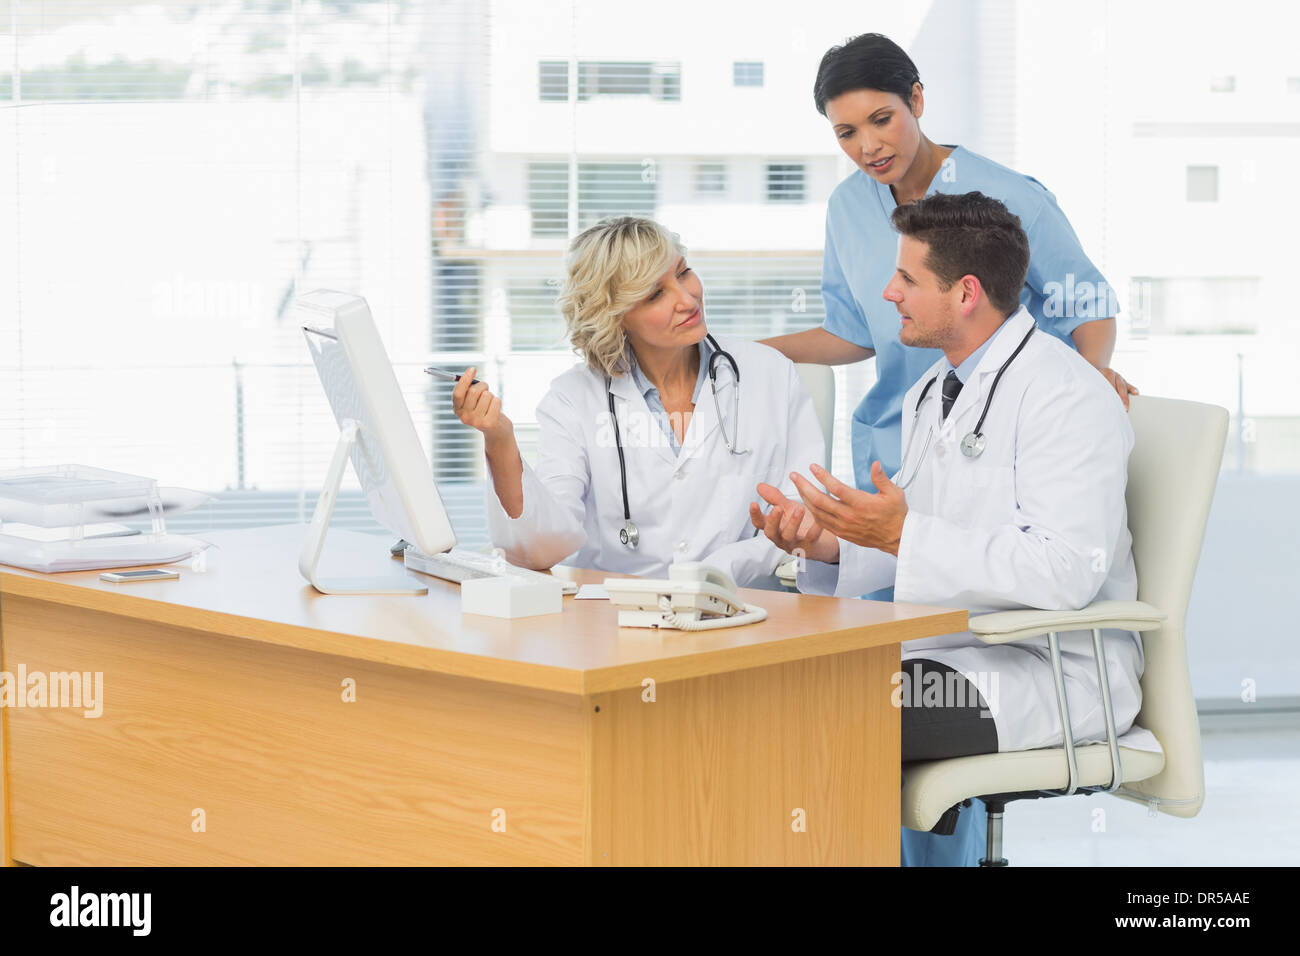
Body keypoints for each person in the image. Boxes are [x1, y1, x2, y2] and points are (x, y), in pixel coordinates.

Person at [752, 192, 1154, 861]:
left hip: (1053, 673)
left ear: (966, 293)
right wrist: (828, 541)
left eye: (907, 278)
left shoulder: (1066, 395)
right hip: (964, 655)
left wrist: (901, 536)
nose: (888, 292)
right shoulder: (934, 391)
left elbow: (1063, 573)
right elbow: (912, 536)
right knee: (759, 694)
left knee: (813, 718)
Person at [762, 32, 1138, 491]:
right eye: (847, 133)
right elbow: (853, 333)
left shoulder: (1012, 197)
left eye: (882, 120)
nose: (868, 146)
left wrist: (1092, 381)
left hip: (997, 440)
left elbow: (1089, 304)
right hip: (895, 448)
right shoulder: (846, 207)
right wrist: (742, 352)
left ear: (916, 100)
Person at [451, 215, 825, 586]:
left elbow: (805, 514)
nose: (687, 298)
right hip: (614, 619)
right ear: (616, 316)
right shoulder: (573, 399)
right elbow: (542, 547)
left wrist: (724, 567)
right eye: (655, 294)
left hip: (745, 609)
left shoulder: (770, 374)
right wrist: (499, 440)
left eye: (683, 272)